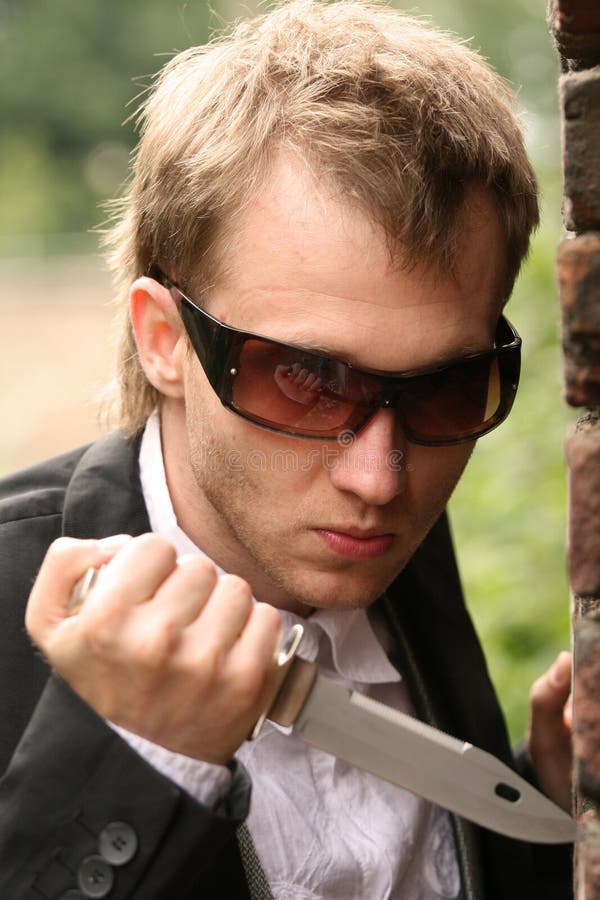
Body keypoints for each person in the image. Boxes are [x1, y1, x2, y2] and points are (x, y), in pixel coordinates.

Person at [0, 2, 573, 898]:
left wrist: (539, 801)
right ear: (164, 338)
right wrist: (143, 761)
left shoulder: (380, 547)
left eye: (447, 385)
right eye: (307, 380)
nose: (380, 478)